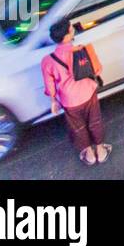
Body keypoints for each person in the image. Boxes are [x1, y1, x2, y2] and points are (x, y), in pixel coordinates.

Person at [42, 21, 109, 166]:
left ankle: (89, 155)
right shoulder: (83, 49)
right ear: (68, 35)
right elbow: (97, 70)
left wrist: (54, 101)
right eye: (71, 28)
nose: (73, 29)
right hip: (88, 93)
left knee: (78, 127)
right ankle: (101, 151)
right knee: (94, 120)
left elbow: (49, 85)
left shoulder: (48, 61)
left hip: (69, 100)